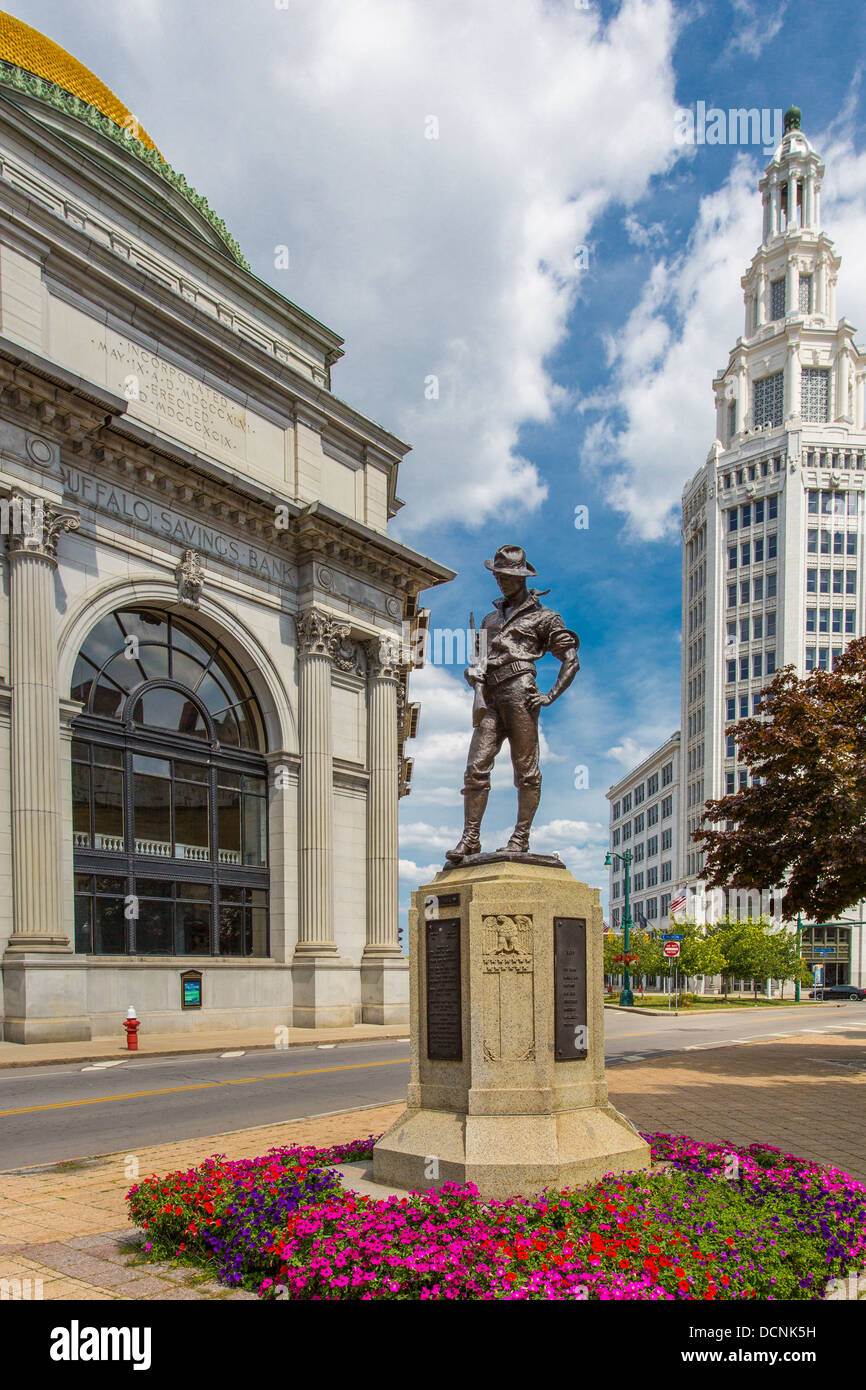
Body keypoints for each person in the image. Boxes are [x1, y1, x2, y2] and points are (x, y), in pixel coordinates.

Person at [446, 544, 579, 860]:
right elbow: (475, 661)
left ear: (521, 577)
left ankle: (520, 839)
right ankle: (470, 839)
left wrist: (550, 695)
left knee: (526, 771)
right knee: (475, 768)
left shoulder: (546, 617)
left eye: (506, 576)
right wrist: (473, 674)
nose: (500, 581)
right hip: (489, 696)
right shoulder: (489, 618)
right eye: (497, 575)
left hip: (521, 691)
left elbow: (571, 659)